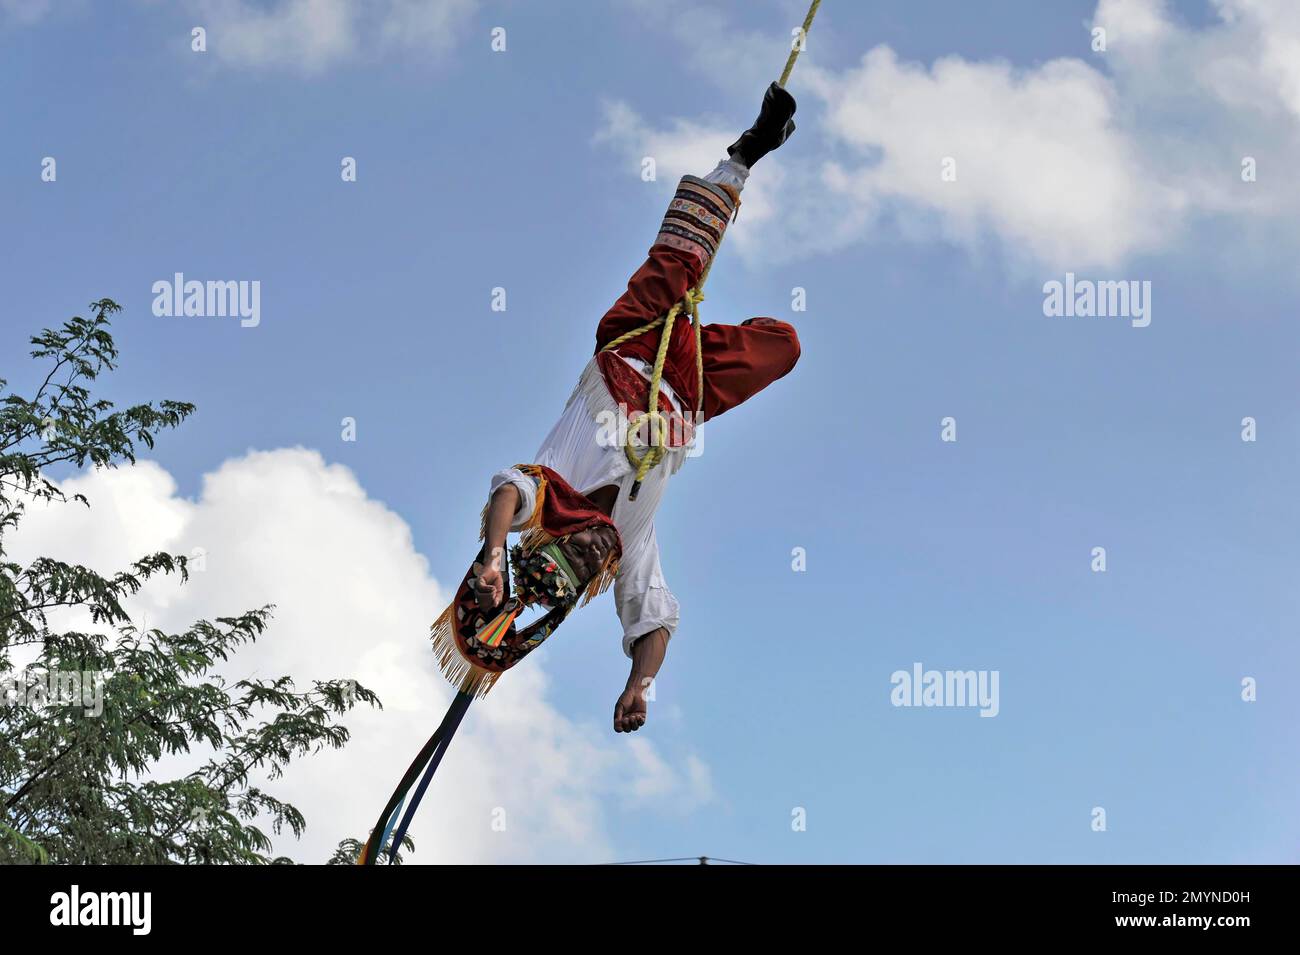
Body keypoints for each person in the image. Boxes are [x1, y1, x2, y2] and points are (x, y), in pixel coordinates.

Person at [442, 82, 803, 732]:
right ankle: (702, 318)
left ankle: (744, 155)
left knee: (678, 260)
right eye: (583, 570)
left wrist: (493, 556)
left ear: (553, 544)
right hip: (685, 395)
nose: (585, 557)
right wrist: (641, 684)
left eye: (569, 555)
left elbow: (505, 490)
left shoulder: (552, 496)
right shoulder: (625, 545)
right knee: (783, 345)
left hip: (632, 344)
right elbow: (653, 616)